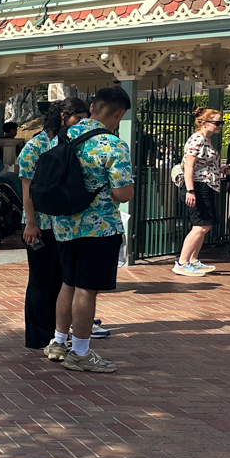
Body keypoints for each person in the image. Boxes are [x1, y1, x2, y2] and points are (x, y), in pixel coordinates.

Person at [43, 86, 134, 373]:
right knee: (87, 289)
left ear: (92, 107)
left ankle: (58, 341)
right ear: (119, 113)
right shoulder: (113, 145)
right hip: (99, 228)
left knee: (67, 283)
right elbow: (123, 194)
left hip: (64, 224)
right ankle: (80, 351)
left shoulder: (60, 137)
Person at [18, 98, 88, 351]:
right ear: (64, 116)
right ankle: (38, 334)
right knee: (40, 279)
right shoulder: (36, 146)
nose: (81, 124)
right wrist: (31, 222)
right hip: (42, 224)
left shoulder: (71, 143)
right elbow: (27, 189)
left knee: (62, 279)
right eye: (78, 119)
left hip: (65, 224)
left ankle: (58, 331)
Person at [175, 107, 230, 275]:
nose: (220, 125)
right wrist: (191, 190)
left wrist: (222, 169)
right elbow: (189, 165)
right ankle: (182, 262)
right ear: (205, 123)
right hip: (198, 186)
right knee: (201, 225)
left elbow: (203, 166)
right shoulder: (197, 139)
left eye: (222, 122)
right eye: (217, 123)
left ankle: (193, 260)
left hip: (206, 185)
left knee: (204, 225)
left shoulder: (206, 140)